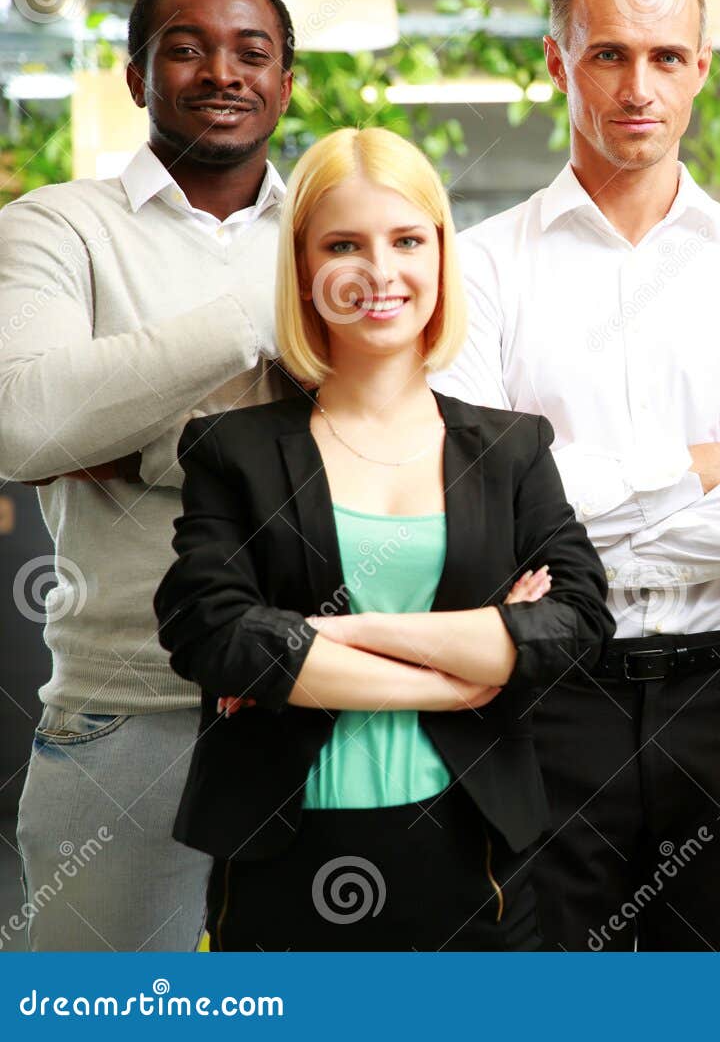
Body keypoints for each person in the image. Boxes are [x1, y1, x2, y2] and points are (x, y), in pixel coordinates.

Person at [428, 0, 720, 951]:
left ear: (701, 67)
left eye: (664, 57)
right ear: (557, 59)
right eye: (608, 53)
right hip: (545, 700)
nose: (637, 87)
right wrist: (692, 468)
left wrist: (563, 545)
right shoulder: (477, 268)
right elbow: (478, 509)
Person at [153, 126, 613, 950]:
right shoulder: (234, 448)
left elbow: (574, 622)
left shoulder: (511, 449)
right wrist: (459, 668)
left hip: (478, 852)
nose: (379, 270)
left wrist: (319, 636)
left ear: (441, 254)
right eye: (343, 244)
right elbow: (210, 631)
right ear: (302, 269)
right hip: (286, 851)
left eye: (407, 239)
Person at [0, 0, 295, 950]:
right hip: (124, 711)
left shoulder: (339, 236)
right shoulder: (56, 226)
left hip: (324, 702)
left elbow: (380, 453)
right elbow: (24, 425)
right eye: (187, 47)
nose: (223, 70)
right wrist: (253, 321)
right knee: (106, 1012)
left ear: (286, 80)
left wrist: (132, 438)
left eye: (251, 50)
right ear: (136, 77)